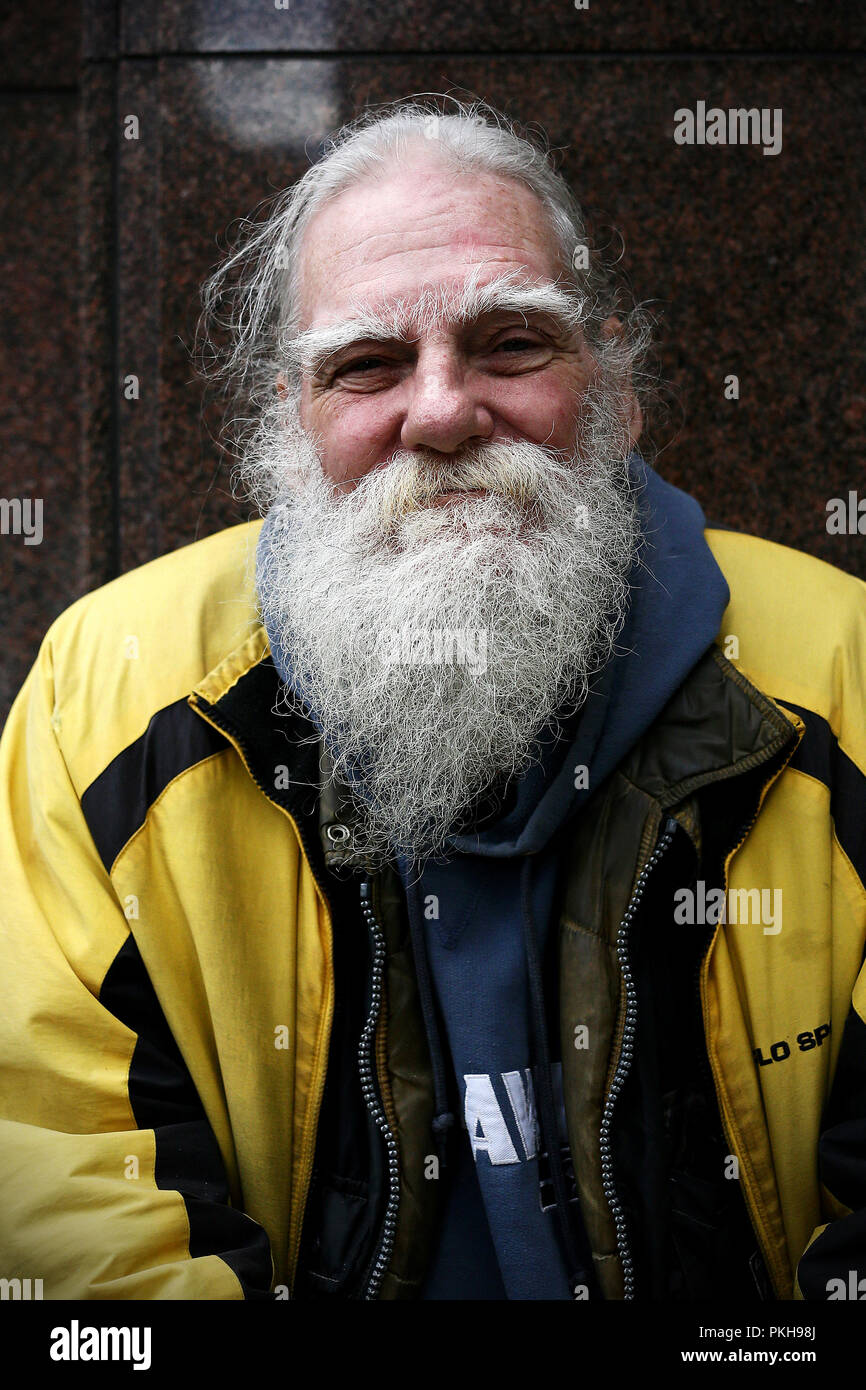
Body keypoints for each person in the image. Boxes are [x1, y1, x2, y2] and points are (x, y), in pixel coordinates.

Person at [0, 97, 864, 1302]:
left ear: (613, 389)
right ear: (288, 427)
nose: (444, 412)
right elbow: (57, 1161)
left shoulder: (843, 673)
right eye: (368, 365)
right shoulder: (101, 701)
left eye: (511, 343)